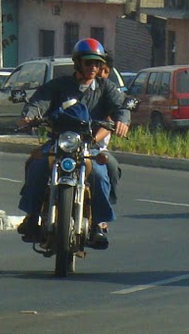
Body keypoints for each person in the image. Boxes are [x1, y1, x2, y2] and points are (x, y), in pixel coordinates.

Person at [15, 38, 131, 249]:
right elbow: (39, 101)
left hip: (90, 146)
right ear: (78, 63)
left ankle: (98, 224)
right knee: (37, 164)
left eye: (97, 63)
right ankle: (31, 217)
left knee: (102, 171)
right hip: (59, 143)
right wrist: (29, 116)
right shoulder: (59, 86)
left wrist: (123, 119)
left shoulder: (106, 87)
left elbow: (121, 105)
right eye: (88, 63)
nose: (93, 68)